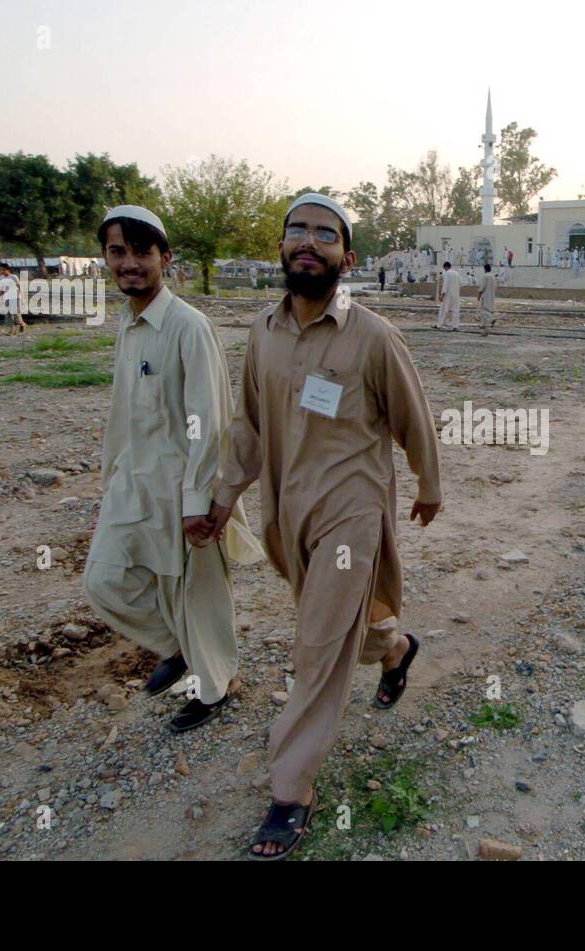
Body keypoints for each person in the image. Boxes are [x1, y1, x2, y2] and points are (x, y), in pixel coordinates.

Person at [203, 193, 442, 860]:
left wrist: (430, 483)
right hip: (289, 514)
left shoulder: (372, 334)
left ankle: (291, 790)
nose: (309, 242)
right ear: (281, 249)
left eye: (325, 235)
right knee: (343, 628)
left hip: (351, 512)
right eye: (297, 231)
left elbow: (413, 418)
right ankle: (394, 650)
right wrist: (226, 496)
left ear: (347, 256)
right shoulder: (263, 331)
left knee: (315, 646)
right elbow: (248, 425)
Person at [82, 205, 264, 735]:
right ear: (106, 259)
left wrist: (197, 503)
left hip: (186, 488)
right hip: (132, 485)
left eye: (141, 252)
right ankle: (176, 649)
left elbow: (206, 422)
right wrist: (113, 475)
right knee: (104, 580)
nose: (130, 264)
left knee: (198, 595)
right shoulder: (129, 323)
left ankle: (217, 685)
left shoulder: (188, 326)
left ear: (165, 258)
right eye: (118, 252)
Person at [0, 262, 25, 335]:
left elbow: (18, 287)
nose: (2, 271)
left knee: (16, 314)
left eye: (3, 270)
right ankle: (11, 330)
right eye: (0, 270)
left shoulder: (13, 277)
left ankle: (21, 324)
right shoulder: (0, 278)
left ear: (7, 270)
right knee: (8, 314)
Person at [436, 260, 461, 329]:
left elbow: (445, 285)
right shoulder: (456, 273)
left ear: (445, 267)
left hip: (448, 295)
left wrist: (442, 295)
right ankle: (455, 326)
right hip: (455, 295)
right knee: (455, 310)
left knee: (443, 310)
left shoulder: (447, 273)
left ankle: (439, 324)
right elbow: (461, 283)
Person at [478, 262, 497, 336]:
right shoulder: (493, 276)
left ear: (485, 269)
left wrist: (479, 295)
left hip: (485, 296)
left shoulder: (485, 276)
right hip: (491, 296)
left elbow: (482, 287)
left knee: (483, 312)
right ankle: (485, 331)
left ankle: (492, 319)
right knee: (489, 311)